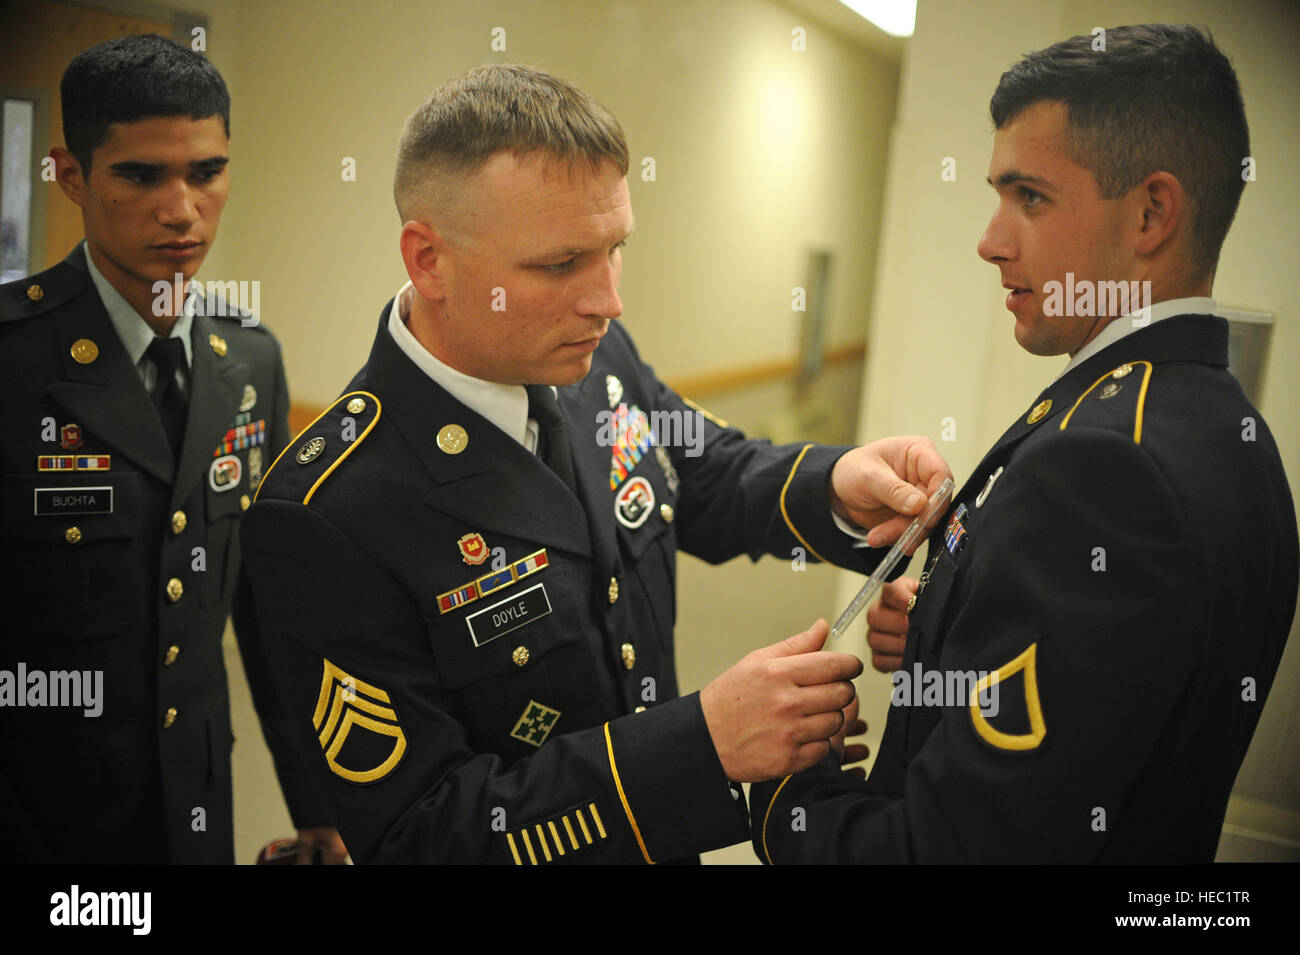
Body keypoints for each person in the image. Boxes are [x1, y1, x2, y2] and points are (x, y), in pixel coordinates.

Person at [238, 63, 951, 864]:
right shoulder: (326, 512)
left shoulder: (593, 357)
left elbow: (702, 472)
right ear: (429, 261)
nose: (607, 299)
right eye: (559, 264)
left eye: (616, 249)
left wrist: (839, 485)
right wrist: (704, 741)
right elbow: (424, 835)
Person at [752, 23, 1298, 864]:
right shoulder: (1227, 427)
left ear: (1152, 211)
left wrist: (788, 791)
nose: (990, 240)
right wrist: (943, 629)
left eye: (1030, 197)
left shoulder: (1106, 466)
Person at [0, 35, 342, 864]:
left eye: (207, 171)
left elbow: (266, 606)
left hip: (194, 802)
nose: (182, 208)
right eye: (141, 175)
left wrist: (320, 806)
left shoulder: (249, 358)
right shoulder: (14, 358)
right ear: (72, 175)